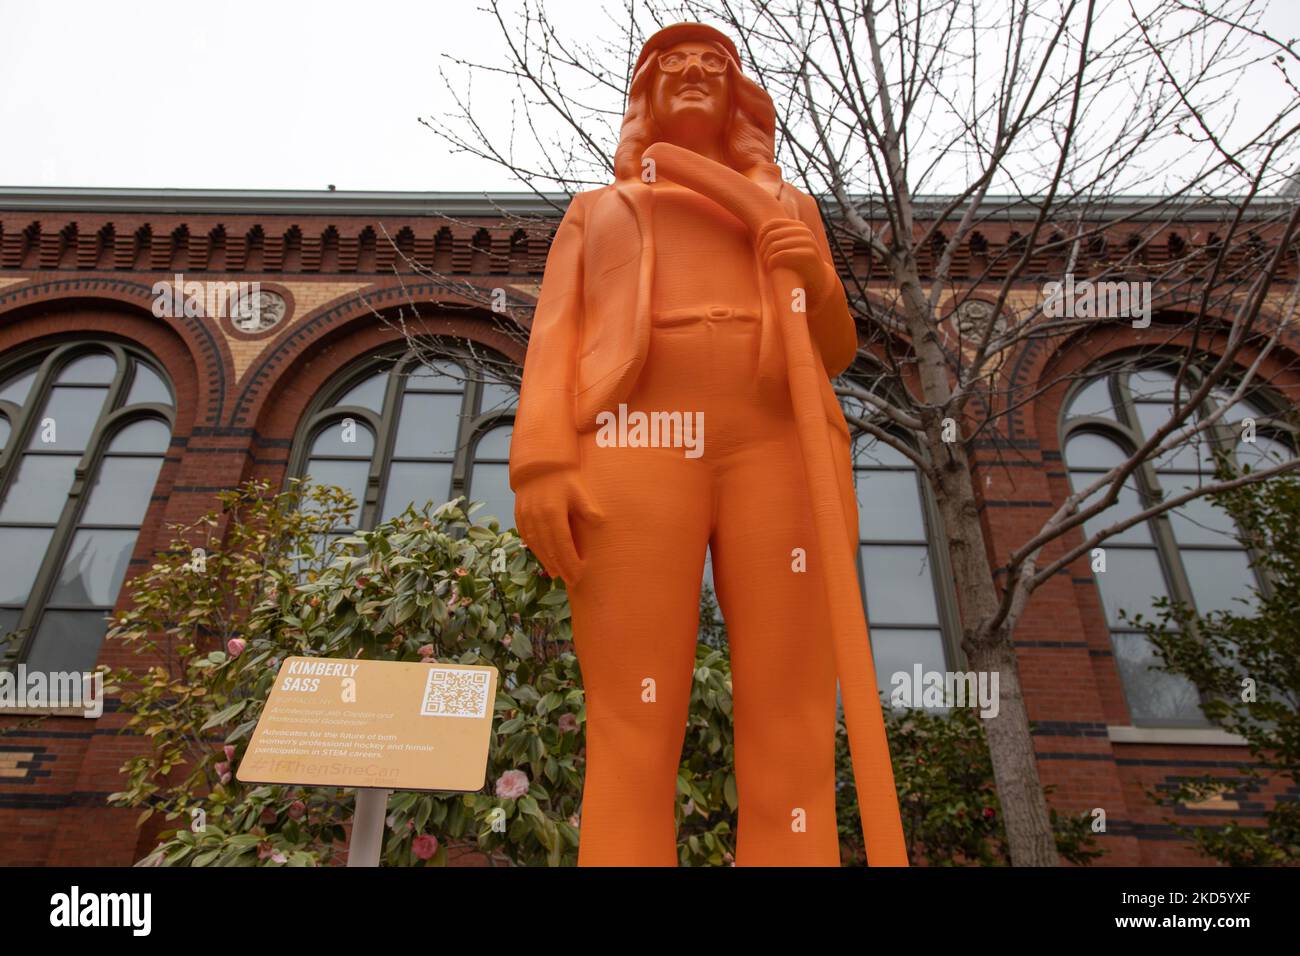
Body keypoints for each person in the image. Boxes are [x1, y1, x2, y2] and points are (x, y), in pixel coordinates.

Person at [510, 22, 880, 866]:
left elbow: (835, 346)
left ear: (739, 96)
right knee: (631, 717)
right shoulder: (599, 210)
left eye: (712, 65)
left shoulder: (789, 207)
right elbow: (556, 335)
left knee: (791, 707)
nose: (692, 73)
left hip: (779, 438)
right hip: (633, 439)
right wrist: (541, 462)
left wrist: (814, 274)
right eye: (670, 65)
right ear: (645, 94)